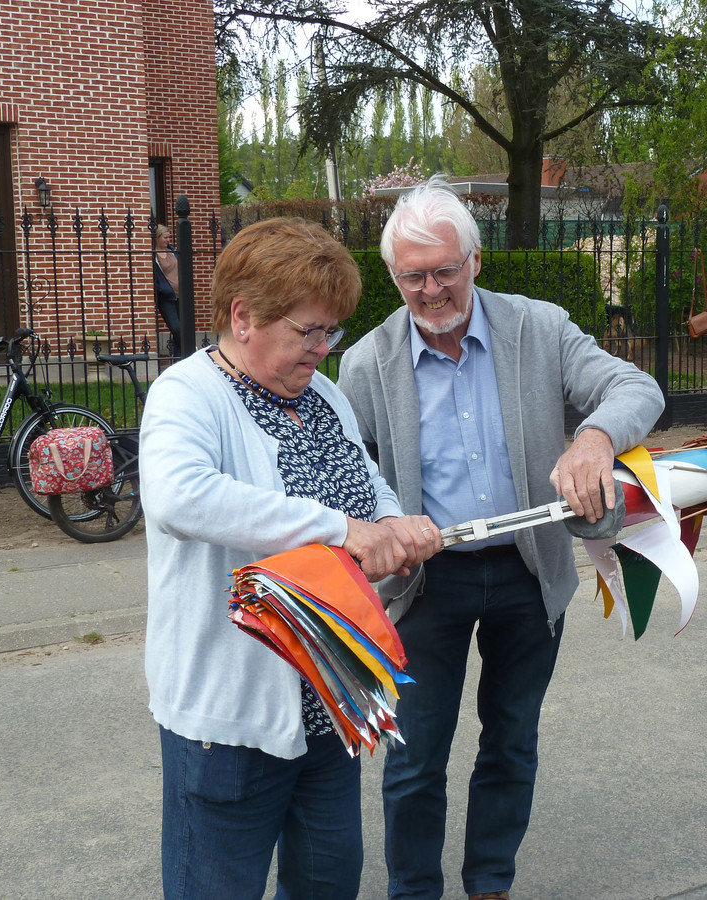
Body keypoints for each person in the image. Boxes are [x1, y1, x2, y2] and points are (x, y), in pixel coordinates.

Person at [337, 176, 664, 900]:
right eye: (411, 276)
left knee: (511, 740)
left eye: (444, 271)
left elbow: (636, 387)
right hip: (423, 585)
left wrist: (595, 439)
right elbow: (344, 473)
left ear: (476, 261)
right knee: (415, 757)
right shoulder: (365, 363)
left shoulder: (537, 328)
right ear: (393, 276)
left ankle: (490, 884)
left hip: (528, 572)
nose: (429, 291)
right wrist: (373, 527)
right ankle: (415, 891)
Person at [139, 217, 443, 899]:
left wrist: (390, 524)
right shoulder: (188, 395)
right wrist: (341, 530)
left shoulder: (325, 397)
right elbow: (179, 498)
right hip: (230, 722)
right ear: (244, 317)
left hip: (330, 706)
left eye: (331, 331)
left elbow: (369, 484)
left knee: (328, 884)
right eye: (309, 331)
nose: (323, 350)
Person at [153, 224, 181, 357]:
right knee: (176, 328)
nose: (168, 240)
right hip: (166, 297)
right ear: (157, 238)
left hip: (180, 296)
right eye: (165, 237)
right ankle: (186, 354)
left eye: (169, 237)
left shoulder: (173, 251)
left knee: (183, 329)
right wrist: (160, 288)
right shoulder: (154, 255)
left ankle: (179, 358)